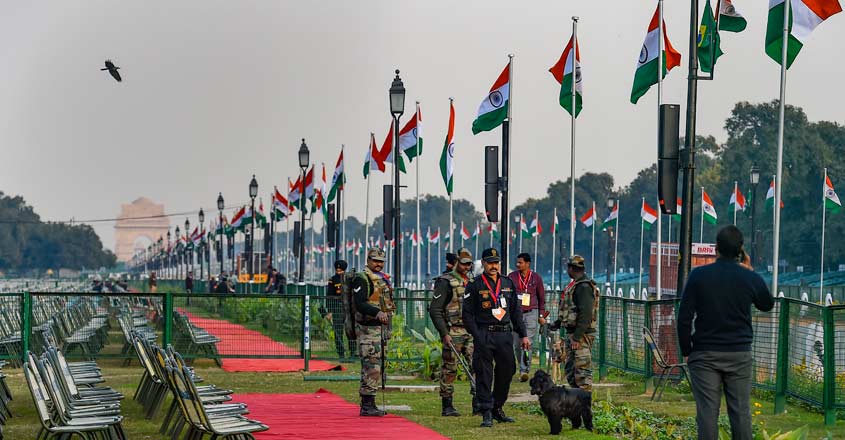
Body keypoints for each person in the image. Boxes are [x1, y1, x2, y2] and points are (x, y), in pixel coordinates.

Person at [678, 226, 774, 440]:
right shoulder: (748, 277)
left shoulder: (698, 276)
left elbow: (684, 317)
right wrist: (751, 272)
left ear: (715, 248)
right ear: (741, 250)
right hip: (739, 354)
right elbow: (767, 304)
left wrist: (687, 350)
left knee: (707, 414)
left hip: (704, 354)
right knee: (740, 413)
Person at [462, 247, 529, 427]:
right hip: (484, 333)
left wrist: (523, 335)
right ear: (483, 263)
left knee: (508, 370)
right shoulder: (474, 285)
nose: (493, 266)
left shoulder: (507, 283)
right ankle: (486, 411)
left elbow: (516, 311)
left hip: (504, 334)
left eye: (496, 262)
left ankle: (497, 407)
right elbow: (467, 315)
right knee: (484, 373)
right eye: (490, 262)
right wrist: (477, 336)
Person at [429, 247, 476, 417]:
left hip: (472, 331)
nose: (466, 267)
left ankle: (478, 402)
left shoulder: (472, 281)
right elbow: (435, 309)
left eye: (469, 264)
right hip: (453, 330)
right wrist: (444, 332)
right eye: (463, 264)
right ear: (456, 262)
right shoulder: (445, 281)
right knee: (450, 368)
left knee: (477, 365)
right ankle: (447, 404)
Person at [351, 248, 395, 417]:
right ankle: (367, 404)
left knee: (377, 366)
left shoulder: (382, 279)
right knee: (371, 366)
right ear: (368, 260)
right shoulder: (362, 278)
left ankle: (369, 402)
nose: (378, 264)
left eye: (381, 261)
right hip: (368, 328)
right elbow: (360, 303)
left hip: (379, 328)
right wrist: (377, 313)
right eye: (375, 260)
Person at [550, 255, 599, 393]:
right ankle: (577, 400)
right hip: (573, 334)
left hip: (581, 335)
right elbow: (570, 309)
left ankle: (585, 402)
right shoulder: (575, 285)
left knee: (582, 371)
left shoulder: (583, 287)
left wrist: (577, 337)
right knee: (571, 371)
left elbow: (586, 314)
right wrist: (558, 323)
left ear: (571, 268)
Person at [508, 253, 547, 382]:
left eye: (521, 262)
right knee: (517, 344)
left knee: (527, 342)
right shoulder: (512, 277)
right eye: (517, 262)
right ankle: (521, 364)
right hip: (515, 314)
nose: (518, 265)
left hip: (531, 313)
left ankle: (524, 370)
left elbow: (541, 298)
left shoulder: (536, 278)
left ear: (528, 263)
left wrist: (541, 315)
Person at [327, 260, 355, 358]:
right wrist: (329, 311)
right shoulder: (333, 279)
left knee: (351, 331)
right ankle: (341, 354)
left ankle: (353, 353)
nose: (338, 272)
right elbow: (329, 295)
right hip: (337, 308)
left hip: (349, 308)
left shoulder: (350, 278)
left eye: (341, 271)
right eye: (337, 270)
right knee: (338, 331)